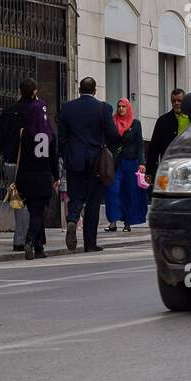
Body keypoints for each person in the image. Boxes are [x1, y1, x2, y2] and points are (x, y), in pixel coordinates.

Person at [0, 79, 60, 259]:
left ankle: (34, 244)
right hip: (42, 175)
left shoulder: (23, 131)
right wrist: (56, 177)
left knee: (26, 208)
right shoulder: (49, 134)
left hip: (22, 172)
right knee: (37, 213)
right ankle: (30, 240)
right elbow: (53, 158)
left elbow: (5, 142)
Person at [57, 77, 119, 252]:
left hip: (74, 159)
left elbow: (61, 137)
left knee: (75, 195)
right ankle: (90, 243)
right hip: (96, 161)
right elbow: (113, 134)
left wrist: (67, 155)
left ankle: (72, 218)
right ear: (95, 90)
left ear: (79, 89)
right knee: (93, 201)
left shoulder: (67, 108)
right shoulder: (103, 108)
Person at [105, 98, 147, 234]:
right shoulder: (112, 122)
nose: (121, 109)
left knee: (129, 192)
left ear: (128, 108)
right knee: (113, 191)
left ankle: (127, 222)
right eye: (119, 106)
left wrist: (142, 162)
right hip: (115, 162)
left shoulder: (135, 124)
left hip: (131, 161)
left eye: (123, 106)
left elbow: (140, 145)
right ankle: (112, 221)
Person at [147, 88, 190, 186]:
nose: (176, 103)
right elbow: (154, 147)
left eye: (179, 100)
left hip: (189, 164)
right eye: (173, 101)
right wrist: (149, 171)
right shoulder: (163, 121)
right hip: (168, 166)